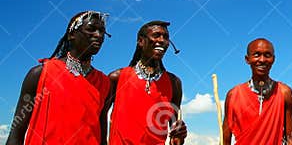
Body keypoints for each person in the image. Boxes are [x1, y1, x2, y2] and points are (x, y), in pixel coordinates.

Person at [6, 11, 112, 145]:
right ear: (71, 35)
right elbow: (16, 134)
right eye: (91, 29)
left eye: (102, 31)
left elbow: (102, 134)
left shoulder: (104, 83)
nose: (98, 35)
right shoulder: (40, 74)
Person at [108, 20, 187, 144]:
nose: (162, 40)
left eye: (165, 37)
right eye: (156, 35)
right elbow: (99, 118)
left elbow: (175, 135)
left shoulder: (174, 83)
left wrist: (180, 134)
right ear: (141, 41)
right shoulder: (117, 78)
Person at [223, 38, 292, 145]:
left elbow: (290, 137)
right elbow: (226, 137)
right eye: (256, 55)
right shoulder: (233, 95)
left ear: (273, 59)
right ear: (247, 59)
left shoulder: (284, 92)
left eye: (267, 55)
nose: (262, 60)